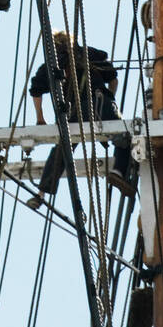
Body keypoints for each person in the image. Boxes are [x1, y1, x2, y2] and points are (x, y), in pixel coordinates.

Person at [26, 30, 133, 208]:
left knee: (63, 149)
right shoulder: (89, 54)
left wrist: (40, 118)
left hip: (72, 113)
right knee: (123, 137)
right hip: (99, 102)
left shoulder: (51, 65)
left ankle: (41, 194)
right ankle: (118, 172)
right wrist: (110, 100)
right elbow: (113, 78)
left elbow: (36, 91)